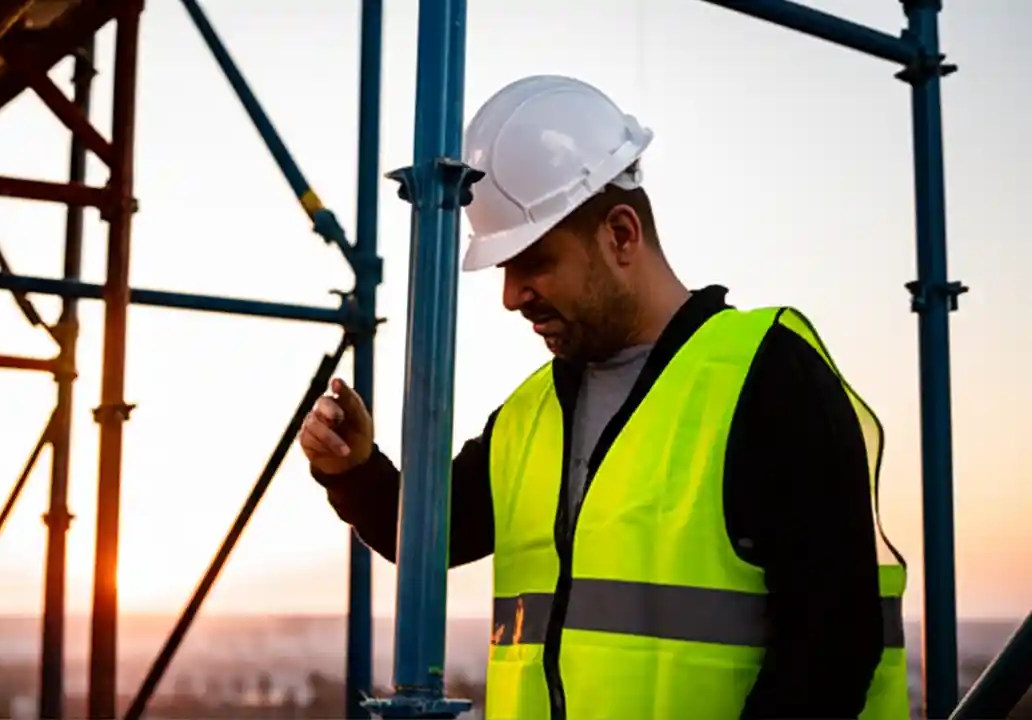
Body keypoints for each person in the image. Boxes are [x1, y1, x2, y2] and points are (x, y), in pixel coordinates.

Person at [298, 75, 909, 719]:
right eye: (505, 269)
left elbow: (831, 652)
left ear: (621, 235)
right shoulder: (532, 413)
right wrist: (355, 471)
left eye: (533, 261)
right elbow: (431, 538)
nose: (511, 296)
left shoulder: (769, 379)